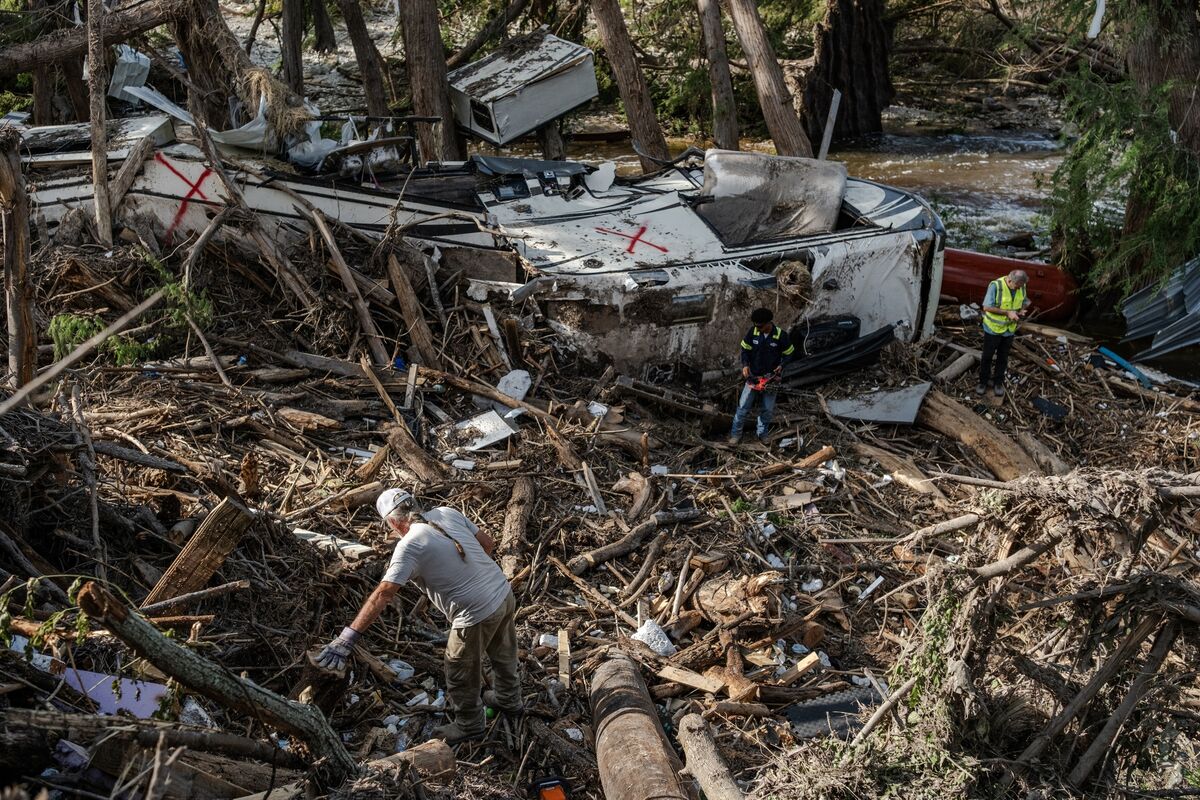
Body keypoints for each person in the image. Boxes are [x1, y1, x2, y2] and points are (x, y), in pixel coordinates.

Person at [316, 488, 521, 743]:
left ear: (392, 521)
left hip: (474, 613)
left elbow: (383, 594)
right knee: (503, 651)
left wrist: (348, 638)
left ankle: (470, 725)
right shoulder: (447, 513)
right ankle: (508, 698)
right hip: (502, 592)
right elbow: (487, 544)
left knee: (458, 669)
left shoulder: (409, 545)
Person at [729, 307, 794, 444]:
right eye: (756, 326)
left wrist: (782, 365)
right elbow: (745, 350)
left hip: (770, 379)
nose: (757, 328)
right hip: (753, 377)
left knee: (767, 410)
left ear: (769, 323)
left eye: (760, 326)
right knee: (742, 408)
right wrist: (745, 364)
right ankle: (735, 435)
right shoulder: (753, 332)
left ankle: (762, 434)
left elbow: (789, 353)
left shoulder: (781, 335)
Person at [977, 269, 1031, 398]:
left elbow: (1024, 301)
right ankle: (983, 382)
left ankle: (998, 382)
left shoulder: (1021, 286)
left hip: (1009, 331)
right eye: (1017, 286)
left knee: (1003, 357)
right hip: (993, 329)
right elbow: (986, 307)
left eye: (1021, 286)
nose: (1019, 288)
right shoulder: (996, 286)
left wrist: (1021, 310)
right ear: (1010, 280)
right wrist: (1007, 312)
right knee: (987, 356)